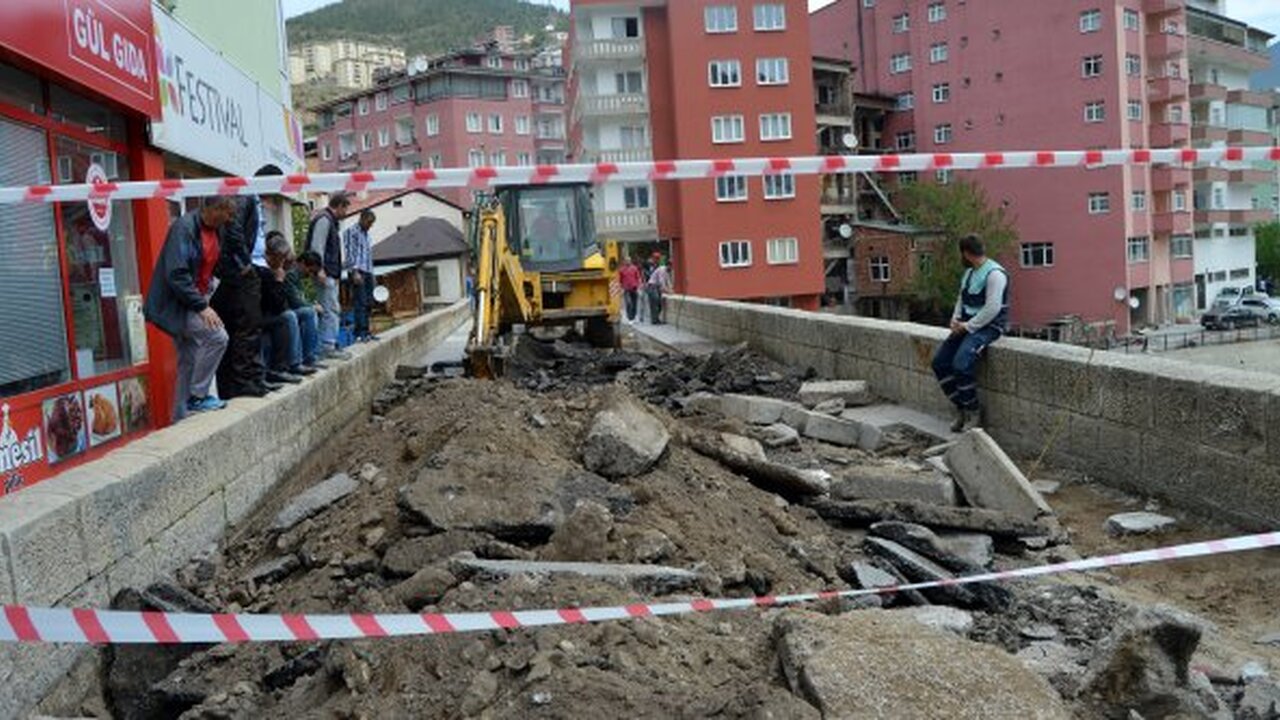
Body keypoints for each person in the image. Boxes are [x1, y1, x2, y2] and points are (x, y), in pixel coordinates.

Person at [143, 197, 234, 420]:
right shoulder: (184, 229)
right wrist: (201, 306)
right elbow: (177, 273)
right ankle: (198, 396)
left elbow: (210, 264)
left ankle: (180, 416)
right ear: (215, 209)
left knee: (189, 358)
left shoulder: (215, 230)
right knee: (217, 337)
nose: (229, 219)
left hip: (195, 298)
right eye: (228, 214)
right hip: (180, 304)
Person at [932, 234, 1010, 432]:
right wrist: (955, 319)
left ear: (965, 253)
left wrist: (967, 327)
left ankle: (973, 411)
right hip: (967, 324)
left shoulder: (995, 274)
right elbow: (961, 298)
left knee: (961, 364)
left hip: (988, 327)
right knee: (940, 362)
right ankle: (961, 407)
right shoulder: (969, 274)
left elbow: (993, 308)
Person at [210, 195, 271, 398]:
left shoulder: (247, 200)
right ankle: (245, 382)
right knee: (247, 327)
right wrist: (244, 263)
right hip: (240, 272)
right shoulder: (245, 199)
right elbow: (234, 230)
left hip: (235, 271)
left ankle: (241, 382)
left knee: (241, 327)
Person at [258, 232, 319, 383]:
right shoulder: (264, 271)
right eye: (282, 259)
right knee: (290, 316)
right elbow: (277, 304)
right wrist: (278, 280)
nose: (284, 263)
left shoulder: (279, 271)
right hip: (262, 314)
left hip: (274, 310)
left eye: (286, 260)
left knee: (307, 312)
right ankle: (293, 364)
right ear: (269, 255)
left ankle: (309, 357)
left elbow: (284, 301)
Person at [308, 193, 351, 358]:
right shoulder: (325, 220)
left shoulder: (328, 220)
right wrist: (319, 270)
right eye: (345, 208)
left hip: (329, 272)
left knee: (331, 308)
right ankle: (327, 346)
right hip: (325, 273)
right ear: (339, 206)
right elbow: (317, 246)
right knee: (330, 309)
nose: (345, 213)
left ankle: (327, 344)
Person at [343, 209, 378, 342]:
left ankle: (367, 331)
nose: (370, 225)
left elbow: (368, 255)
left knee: (369, 302)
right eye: (369, 222)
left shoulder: (367, 235)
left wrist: (372, 274)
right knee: (360, 302)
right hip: (358, 271)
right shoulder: (352, 232)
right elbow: (349, 252)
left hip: (368, 271)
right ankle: (360, 333)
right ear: (362, 219)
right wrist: (354, 271)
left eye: (372, 223)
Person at [646, 257, 672, 325]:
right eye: (671, 267)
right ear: (668, 265)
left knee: (659, 304)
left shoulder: (667, 272)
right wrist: (668, 291)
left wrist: (671, 289)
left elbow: (668, 281)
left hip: (656, 288)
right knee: (655, 302)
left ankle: (656, 319)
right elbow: (662, 283)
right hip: (652, 286)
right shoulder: (662, 270)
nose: (672, 269)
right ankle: (654, 320)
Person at [618, 256, 642, 324]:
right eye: (626, 260)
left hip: (634, 288)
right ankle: (630, 317)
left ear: (630, 261)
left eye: (629, 260)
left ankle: (634, 317)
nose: (628, 262)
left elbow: (638, 277)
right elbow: (619, 280)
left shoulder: (634, 268)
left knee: (634, 303)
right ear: (624, 261)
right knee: (629, 303)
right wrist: (620, 288)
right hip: (626, 289)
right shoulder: (621, 270)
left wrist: (639, 286)